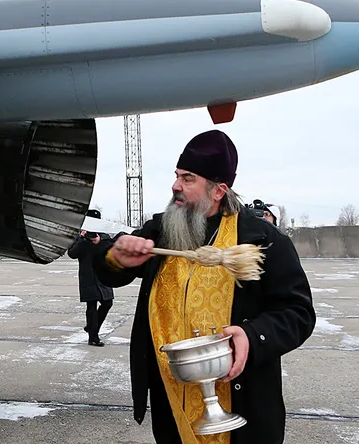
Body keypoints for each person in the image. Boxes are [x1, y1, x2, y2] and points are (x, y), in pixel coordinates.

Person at [92, 130, 315, 444]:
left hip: (241, 403)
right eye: (177, 176)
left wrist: (253, 335)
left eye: (188, 178)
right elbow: (109, 272)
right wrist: (115, 256)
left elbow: (298, 313)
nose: (175, 186)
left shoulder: (261, 241)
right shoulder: (161, 231)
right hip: (173, 400)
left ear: (218, 190)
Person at [67, 209, 114, 347]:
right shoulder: (80, 237)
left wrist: (99, 240)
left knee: (108, 303)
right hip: (87, 276)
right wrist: (82, 239)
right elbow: (72, 253)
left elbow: (111, 246)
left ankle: (91, 327)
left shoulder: (103, 235)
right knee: (91, 305)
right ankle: (93, 337)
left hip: (102, 274)